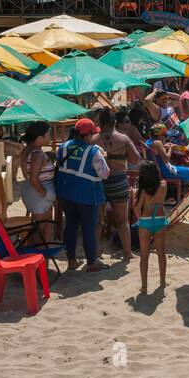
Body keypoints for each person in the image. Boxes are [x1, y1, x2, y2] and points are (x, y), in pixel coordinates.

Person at [55, 117, 110, 273]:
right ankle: (91, 263)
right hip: (87, 195)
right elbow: (105, 174)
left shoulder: (63, 147)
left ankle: (71, 260)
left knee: (71, 225)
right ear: (88, 135)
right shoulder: (94, 152)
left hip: (66, 193)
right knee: (88, 228)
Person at [98, 108, 138, 264]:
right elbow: (135, 159)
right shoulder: (123, 139)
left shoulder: (93, 139)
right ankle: (127, 254)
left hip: (98, 181)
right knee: (122, 221)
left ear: (99, 123)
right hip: (118, 179)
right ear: (115, 122)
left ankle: (96, 253)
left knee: (97, 221)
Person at [133, 162, 169, 294]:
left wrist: (134, 196)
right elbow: (158, 198)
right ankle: (162, 282)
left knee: (144, 256)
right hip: (160, 220)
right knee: (161, 254)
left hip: (145, 223)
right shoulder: (163, 185)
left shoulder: (141, 192)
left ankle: (144, 287)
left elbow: (136, 210)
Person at [19, 126, 56, 242]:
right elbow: (34, 179)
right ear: (39, 138)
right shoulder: (37, 154)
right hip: (39, 194)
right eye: (47, 134)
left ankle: (44, 252)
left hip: (33, 192)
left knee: (43, 224)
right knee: (41, 227)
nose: (50, 137)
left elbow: (27, 175)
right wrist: (45, 193)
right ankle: (40, 253)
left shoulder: (27, 150)